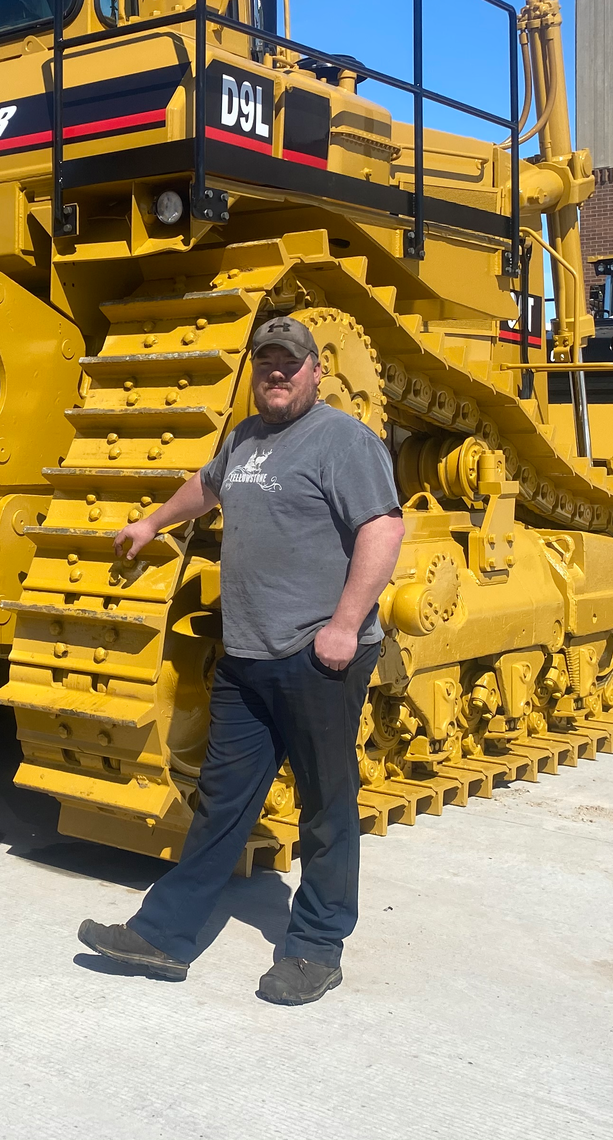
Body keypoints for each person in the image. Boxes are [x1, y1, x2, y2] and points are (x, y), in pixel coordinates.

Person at [78, 316, 404, 1005]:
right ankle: (165, 937)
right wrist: (152, 522)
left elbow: (383, 527)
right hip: (248, 655)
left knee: (325, 806)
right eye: (266, 364)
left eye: (290, 364)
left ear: (317, 371)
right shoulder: (247, 440)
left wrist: (346, 625)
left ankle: (316, 946)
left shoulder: (344, 439)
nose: (277, 374)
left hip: (317, 655)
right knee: (222, 805)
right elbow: (209, 486)